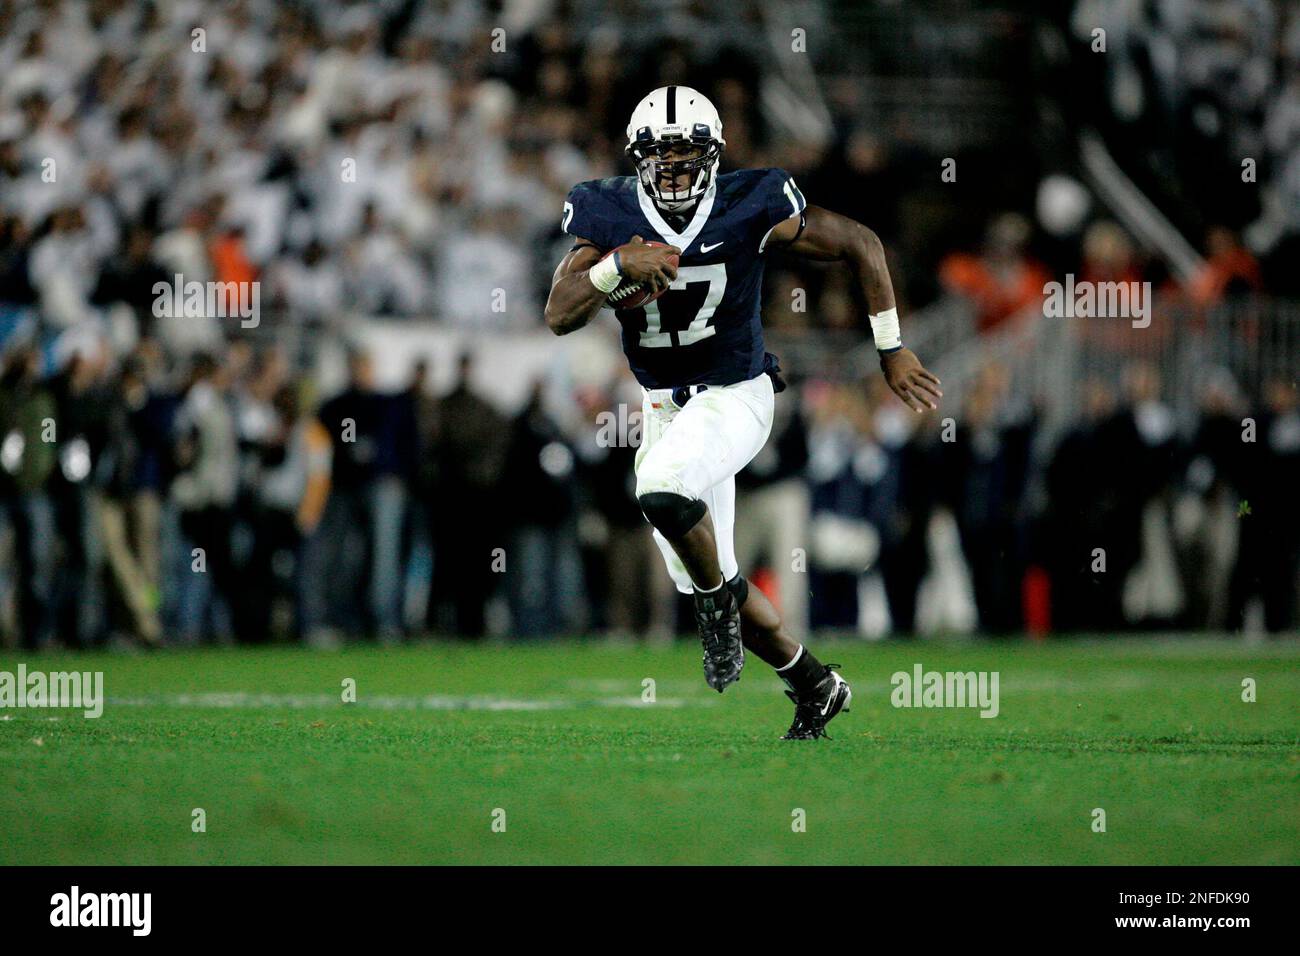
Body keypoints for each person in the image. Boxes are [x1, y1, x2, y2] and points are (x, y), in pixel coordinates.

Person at [544, 86, 942, 739]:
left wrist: (891, 347)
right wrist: (616, 266)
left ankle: (714, 618)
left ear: (714, 156)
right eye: (659, 154)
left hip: (735, 393)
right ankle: (814, 684)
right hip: (665, 409)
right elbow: (559, 314)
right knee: (712, 571)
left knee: (662, 493)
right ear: (636, 158)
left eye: (685, 153)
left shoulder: (750, 202)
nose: (672, 166)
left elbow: (863, 243)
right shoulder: (608, 211)